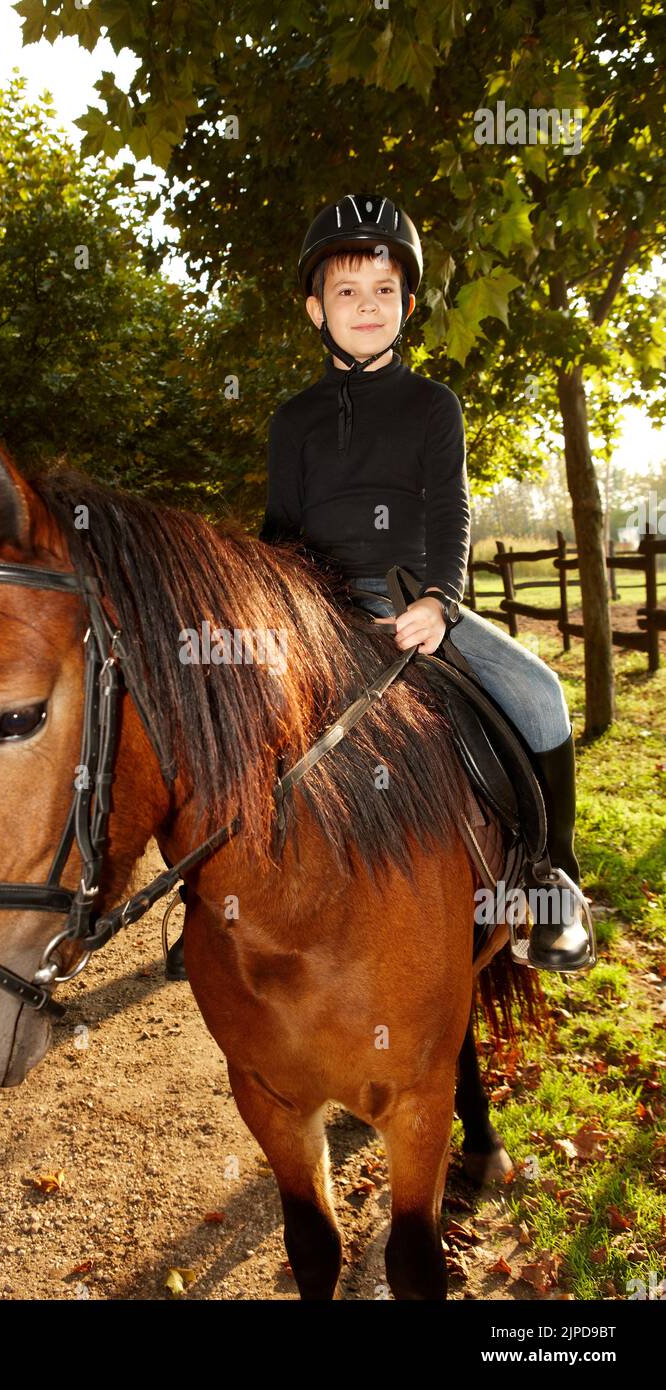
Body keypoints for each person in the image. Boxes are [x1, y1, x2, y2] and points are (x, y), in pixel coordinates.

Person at [252, 192, 592, 974]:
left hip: (416, 602)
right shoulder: (291, 421)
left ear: (406, 305)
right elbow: (279, 530)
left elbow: (452, 511)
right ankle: (211, 896)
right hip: (316, 610)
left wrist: (441, 600)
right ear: (315, 311)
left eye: (381, 292)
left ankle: (554, 889)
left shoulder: (434, 405)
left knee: (542, 695)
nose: (365, 307)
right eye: (345, 292)